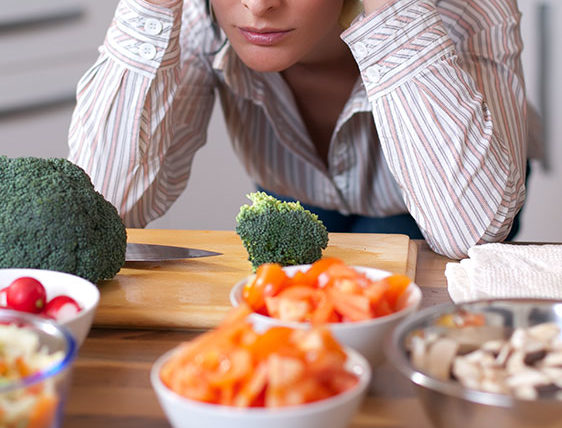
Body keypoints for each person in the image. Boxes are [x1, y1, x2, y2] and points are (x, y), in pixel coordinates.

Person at [67, 0, 534, 259]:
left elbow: (468, 234)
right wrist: (148, 7)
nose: (258, 5)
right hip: (293, 190)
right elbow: (103, 209)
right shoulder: (196, 15)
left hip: (449, 193)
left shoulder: (465, 9)